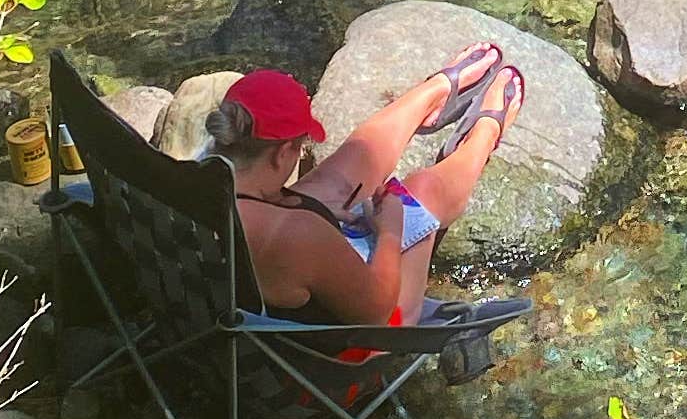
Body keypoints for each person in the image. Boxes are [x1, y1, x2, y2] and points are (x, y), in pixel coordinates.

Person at [203, 43, 523, 329]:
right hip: (342, 355)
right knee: (421, 192)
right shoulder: (296, 234)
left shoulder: (186, 185)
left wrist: (313, 212)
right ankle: (481, 138)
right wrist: (389, 232)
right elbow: (377, 313)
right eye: (299, 148)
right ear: (283, 153)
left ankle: (434, 93)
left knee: (332, 184)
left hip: (224, 317)